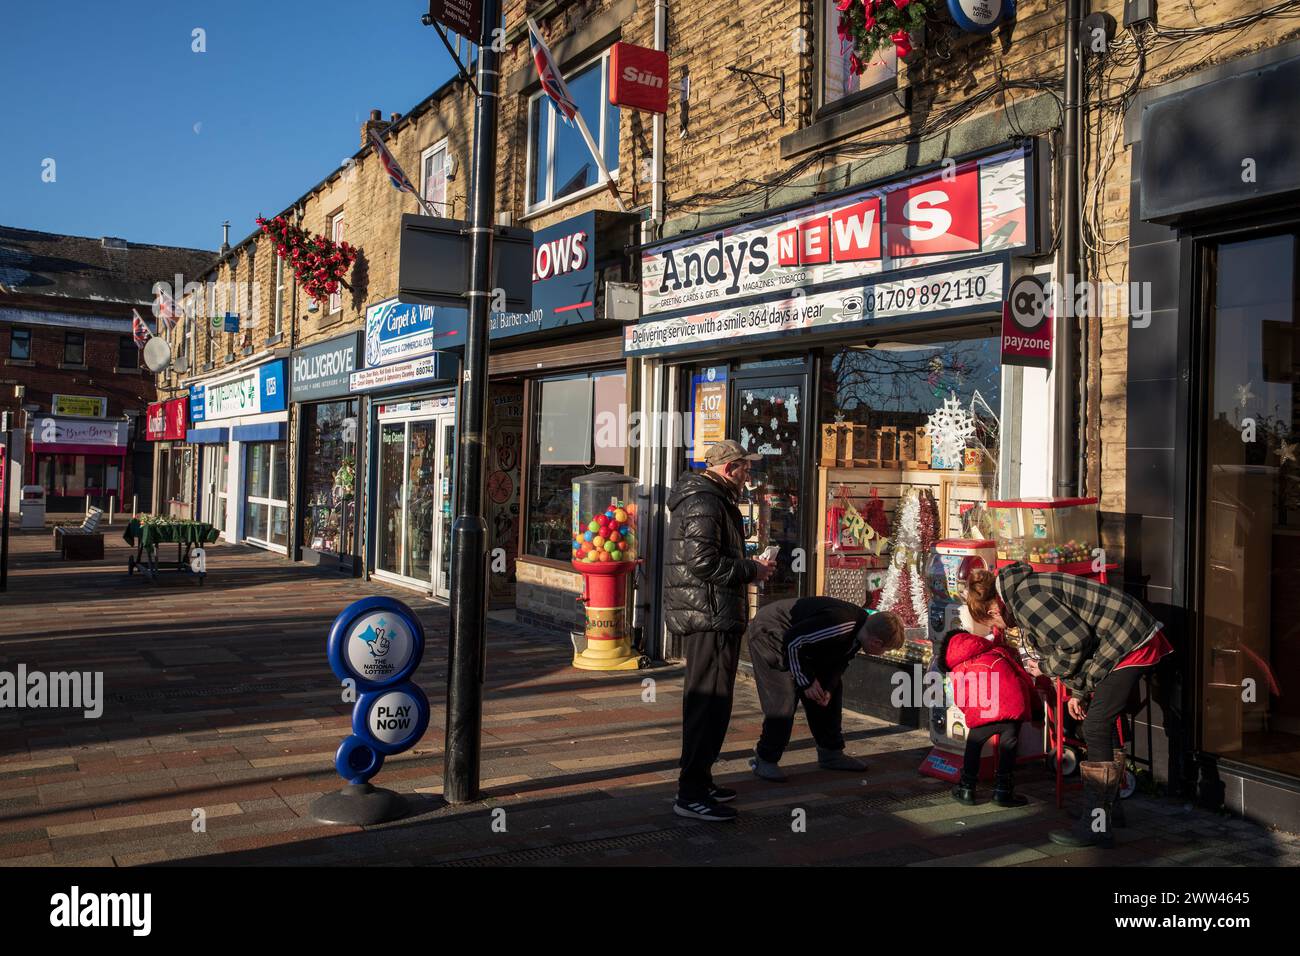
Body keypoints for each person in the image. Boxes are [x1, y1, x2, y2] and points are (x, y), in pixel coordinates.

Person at [965, 563, 1174, 847]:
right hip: (1121, 639)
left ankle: (1097, 824)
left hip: (1129, 641)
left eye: (994, 626)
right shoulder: (1023, 591)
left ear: (992, 610)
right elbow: (1076, 641)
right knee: (1101, 721)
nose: (1001, 629)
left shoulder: (1026, 598)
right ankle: (1109, 812)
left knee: (1096, 724)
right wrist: (1078, 691)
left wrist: (1043, 667)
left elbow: (1075, 642)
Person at [664, 439, 775, 821]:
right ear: (730, 469)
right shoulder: (705, 502)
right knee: (706, 704)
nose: (750, 475)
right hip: (707, 616)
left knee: (715, 703)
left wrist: (747, 565)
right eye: (746, 468)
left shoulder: (713, 499)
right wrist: (751, 570)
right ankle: (690, 792)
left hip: (714, 613)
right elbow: (703, 562)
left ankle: (702, 778)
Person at [746, 598, 905, 782]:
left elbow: (839, 661)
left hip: (799, 642)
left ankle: (831, 752)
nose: (882, 654)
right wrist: (806, 682)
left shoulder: (861, 631)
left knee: (828, 692)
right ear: (876, 642)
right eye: (885, 650)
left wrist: (828, 687)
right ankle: (765, 758)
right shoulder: (840, 624)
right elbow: (792, 642)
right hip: (771, 634)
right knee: (784, 697)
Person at [938, 622, 1040, 807]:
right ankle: (1003, 791)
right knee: (1008, 745)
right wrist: (1037, 712)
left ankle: (967, 789)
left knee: (974, 743)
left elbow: (960, 699)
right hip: (1012, 706)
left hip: (983, 710)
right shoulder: (997, 653)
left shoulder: (958, 668)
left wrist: (974, 714)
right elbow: (1023, 678)